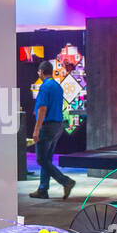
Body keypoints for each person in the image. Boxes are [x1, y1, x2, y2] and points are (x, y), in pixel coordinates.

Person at [30, 60, 75, 200]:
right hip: (58, 126)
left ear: (41, 72)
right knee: (47, 158)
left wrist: (36, 130)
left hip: (47, 126)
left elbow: (43, 109)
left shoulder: (45, 87)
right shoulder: (57, 86)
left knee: (41, 159)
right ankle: (43, 189)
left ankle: (65, 181)